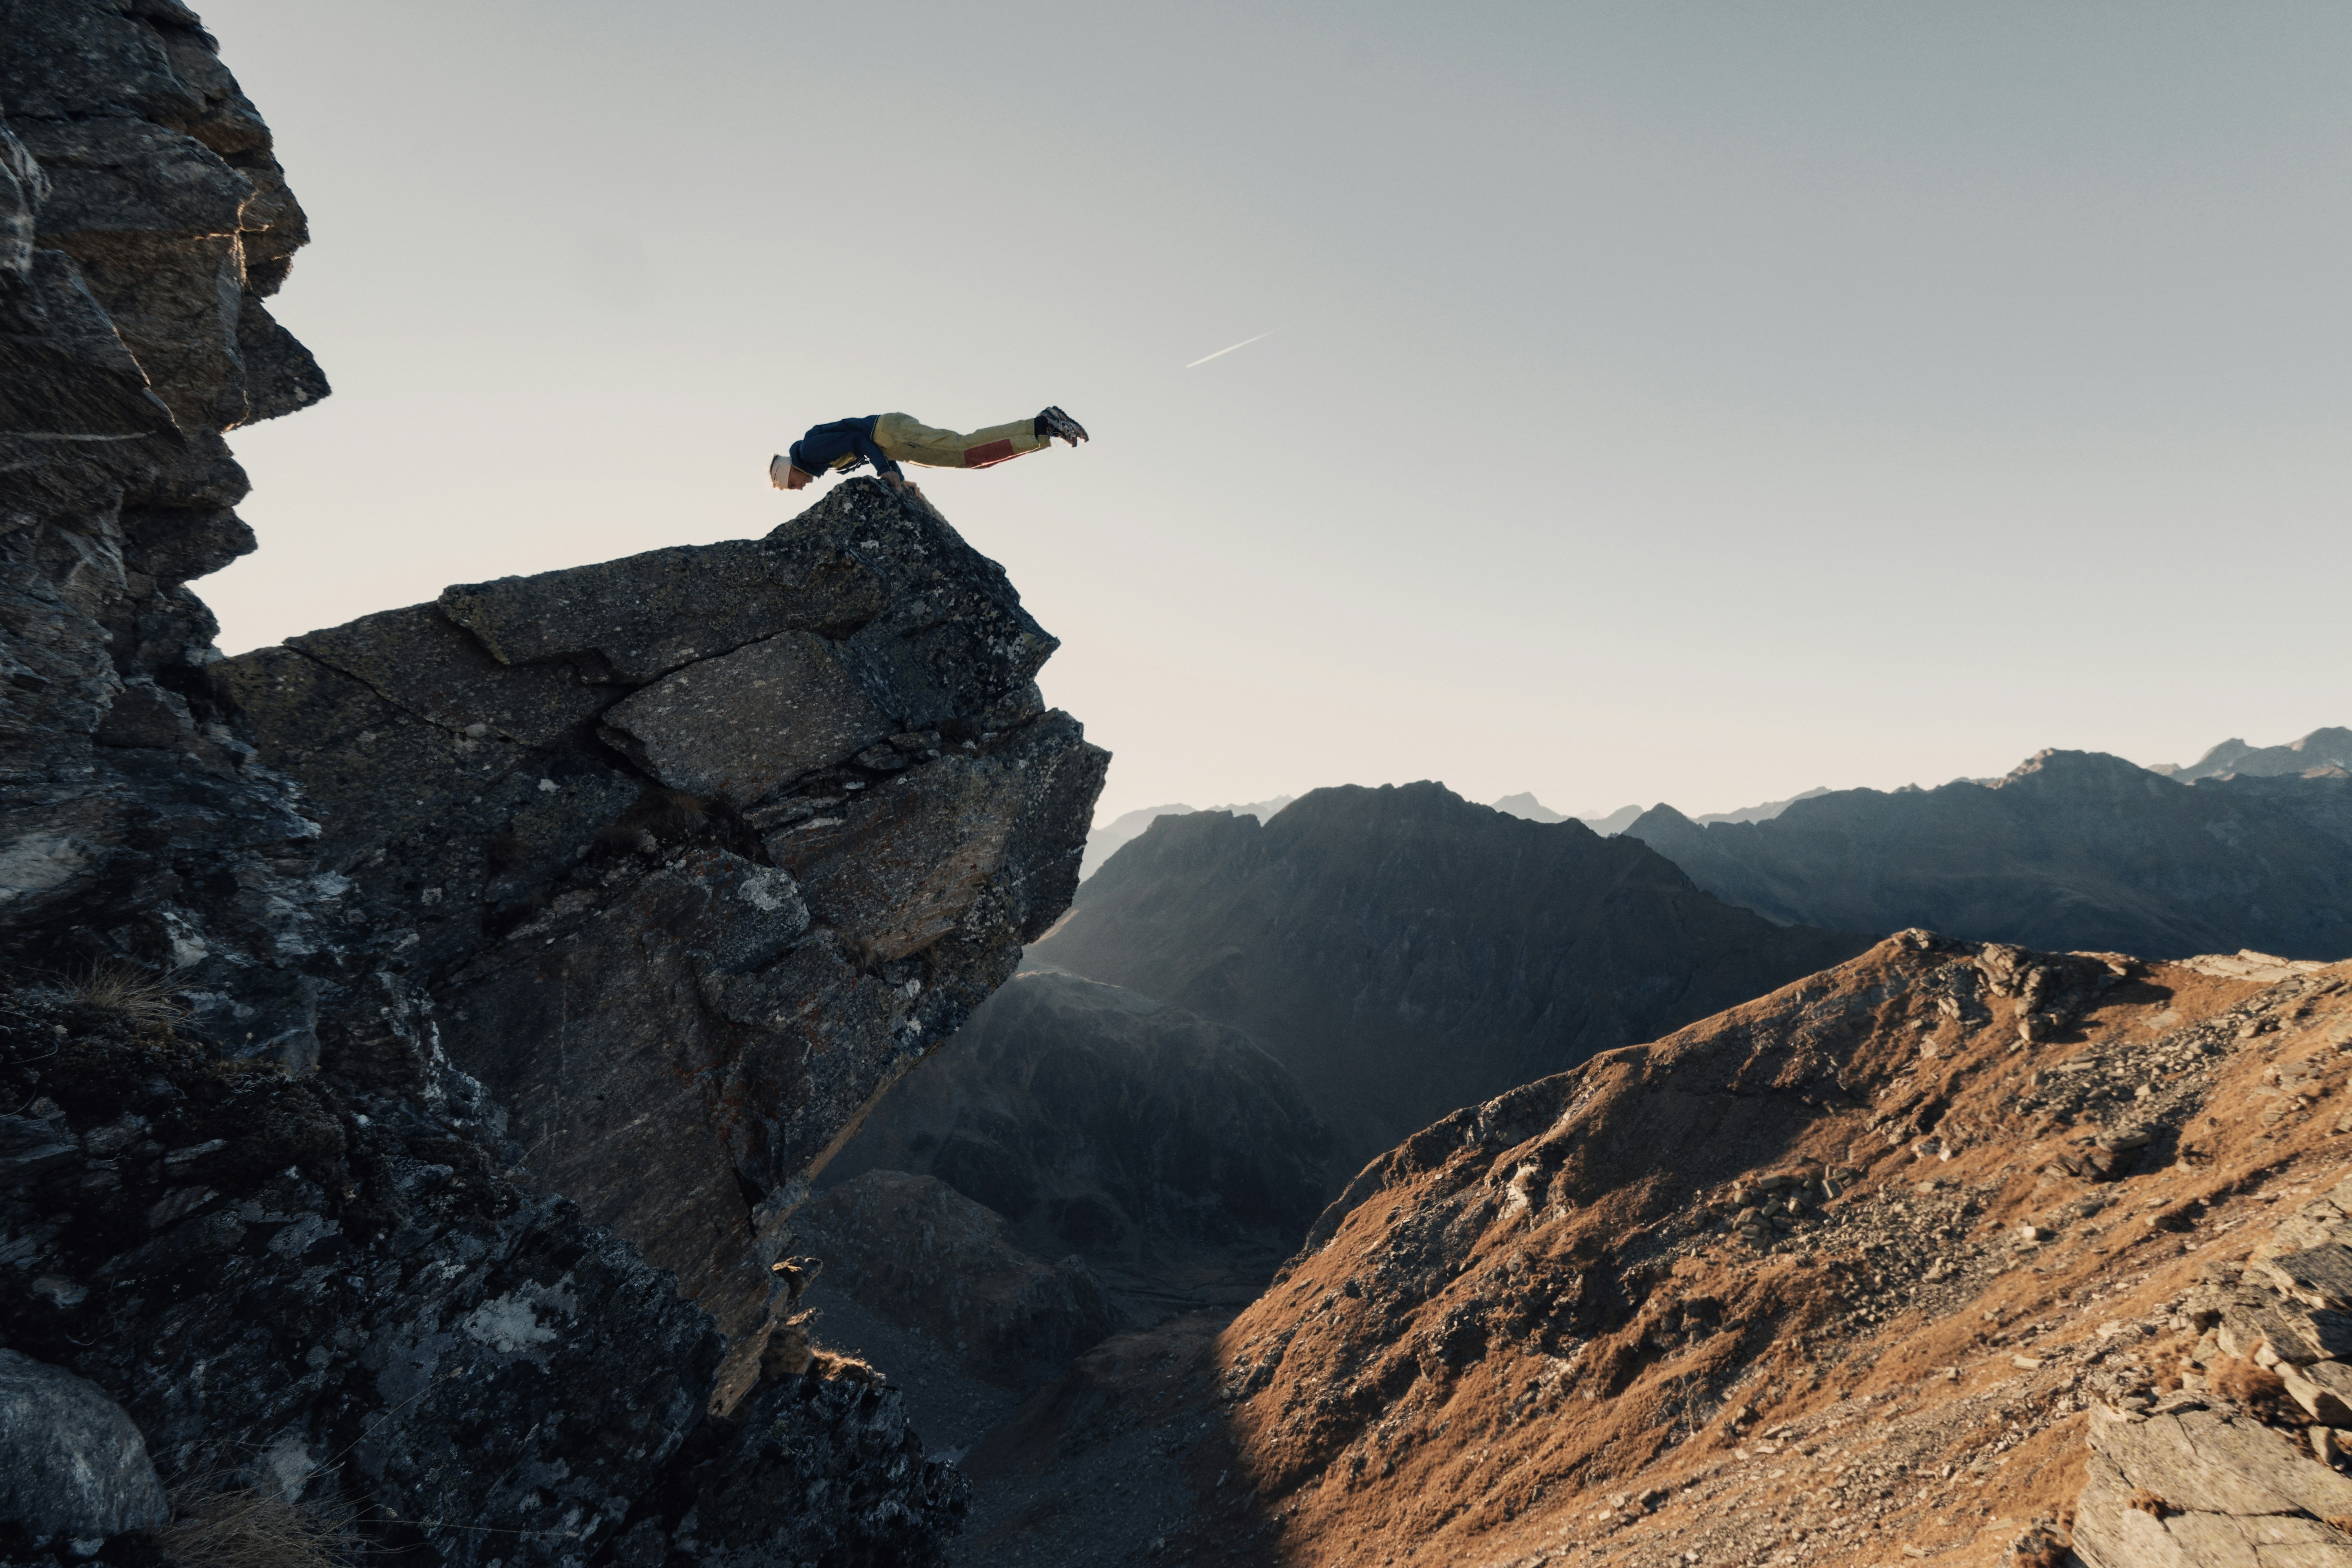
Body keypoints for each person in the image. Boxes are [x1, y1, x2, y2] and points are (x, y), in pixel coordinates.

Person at [769, 407, 1089, 493]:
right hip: (891, 439)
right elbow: (869, 449)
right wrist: (898, 477)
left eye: (790, 485)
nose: (798, 488)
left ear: (789, 471)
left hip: (889, 433)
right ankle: (1043, 428)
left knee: (964, 450)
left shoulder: (810, 451)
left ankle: (1044, 423)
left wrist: (885, 471)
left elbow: (859, 441)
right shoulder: (819, 461)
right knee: (970, 458)